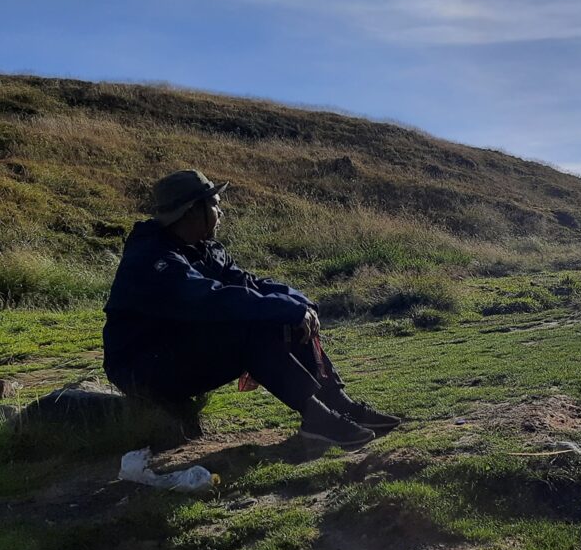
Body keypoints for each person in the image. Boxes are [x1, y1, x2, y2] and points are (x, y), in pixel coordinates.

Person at [103, 169, 400, 449]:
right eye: (215, 205)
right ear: (192, 211)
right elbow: (210, 299)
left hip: (180, 348)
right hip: (142, 367)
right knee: (250, 329)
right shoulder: (152, 259)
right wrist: (285, 308)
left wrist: (299, 303)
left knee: (281, 316)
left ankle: (339, 404)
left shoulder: (204, 249)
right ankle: (316, 418)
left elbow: (249, 283)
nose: (221, 213)